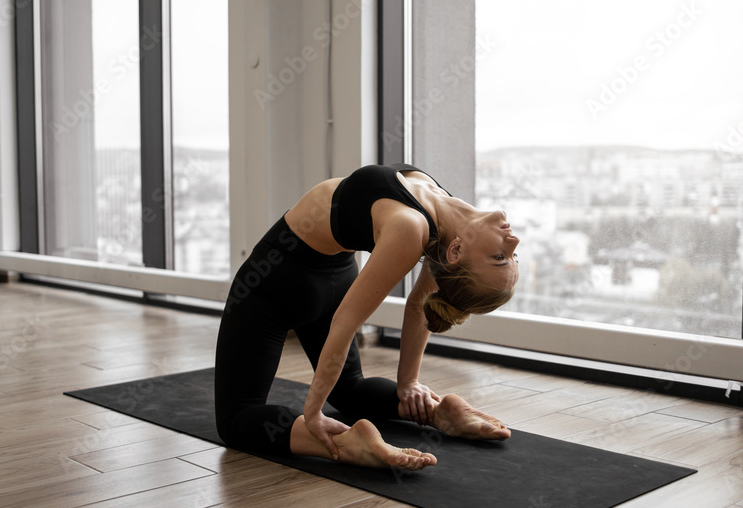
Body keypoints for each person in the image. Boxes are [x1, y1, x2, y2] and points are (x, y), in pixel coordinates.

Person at [214, 163, 520, 471]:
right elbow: (418, 303)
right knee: (348, 391)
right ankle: (438, 412)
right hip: (336, 279)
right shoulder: (443, 229)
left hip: (274, 281)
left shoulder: (413, 228)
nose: (514, 243)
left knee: (235, 419)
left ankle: (347, 445)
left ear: (456, 252)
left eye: (499, 258)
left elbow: (346, 324)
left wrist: (314, 413)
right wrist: (408, 382)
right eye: (510, 257)